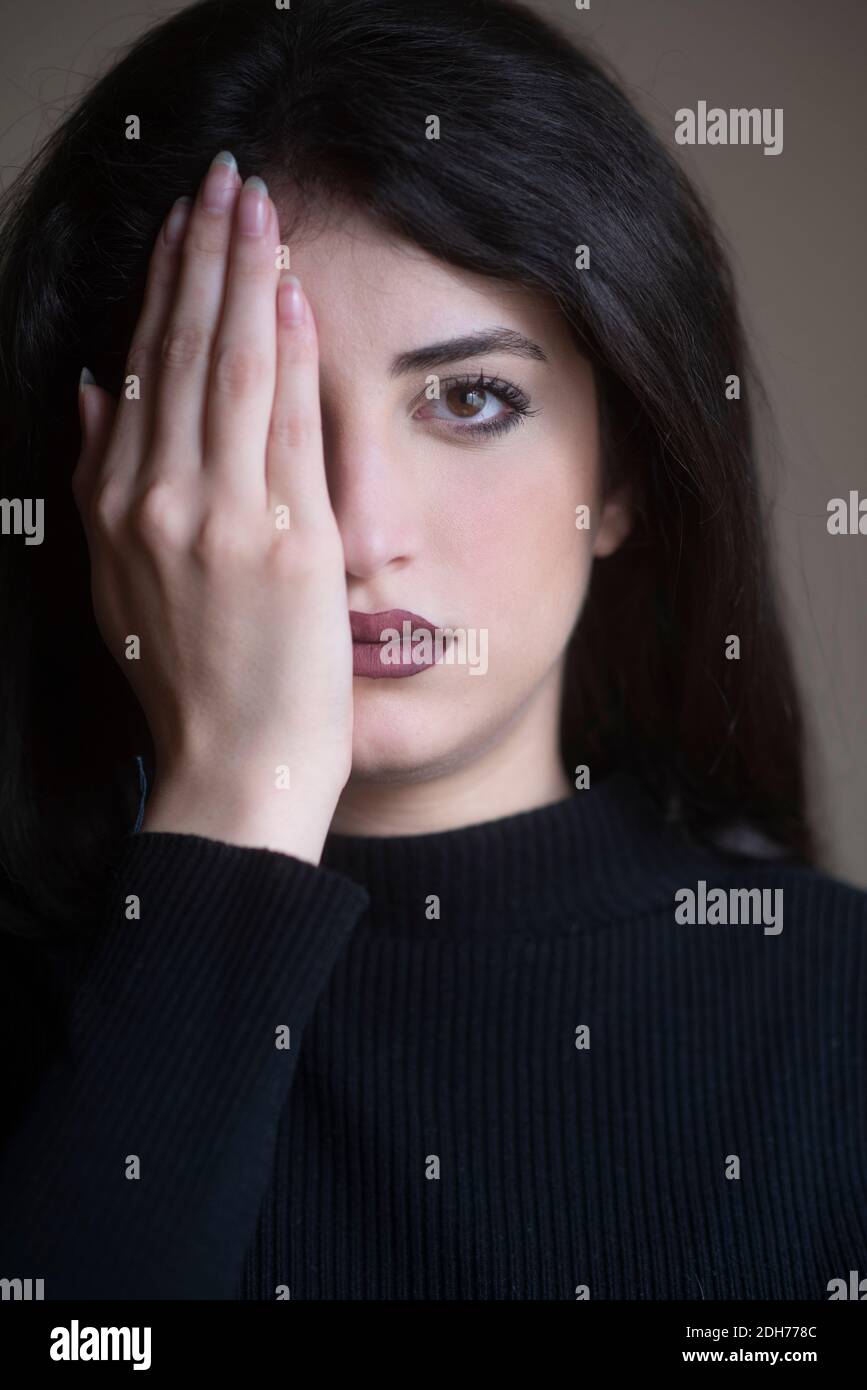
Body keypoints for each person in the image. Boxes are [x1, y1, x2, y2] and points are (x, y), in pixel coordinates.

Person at [0, 0, 864, 1301]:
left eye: (471, 399)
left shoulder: (835, 1016)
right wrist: (236, 801)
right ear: (109, 476)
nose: (360, 528)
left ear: (621, 466)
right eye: (259, 417)